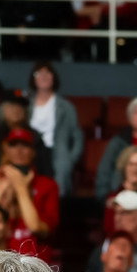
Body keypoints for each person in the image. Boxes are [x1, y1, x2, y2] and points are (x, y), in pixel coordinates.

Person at [0, 127, 62, 246]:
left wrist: (21, 189)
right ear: (6, 150)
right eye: (13, 145)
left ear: (33, 151)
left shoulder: (48, 185)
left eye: (25, 145)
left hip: (34, 258)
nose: (18, 150)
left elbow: (37, 228)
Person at [25, 61, 84, 197]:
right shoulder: (26, 105)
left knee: (56, 194)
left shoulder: (66, 107)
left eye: (48, 73)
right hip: (32, 153)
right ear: (33, 79)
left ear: (54, 77)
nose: (44, 76)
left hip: (58, 155)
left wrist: (70, 159)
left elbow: (77, 136)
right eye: (39, 73)